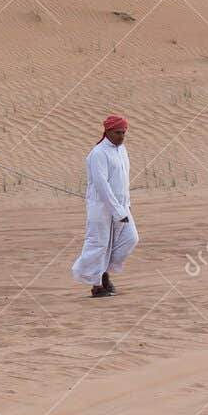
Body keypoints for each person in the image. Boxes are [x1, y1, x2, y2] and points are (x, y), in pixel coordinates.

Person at [72, 114, 138, 297]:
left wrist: (126, 205)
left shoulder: (122, 150)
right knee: (99, 244)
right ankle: (96, 285)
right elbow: (102, 185)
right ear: (107, 132)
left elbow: (123, 181)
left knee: (130, 238)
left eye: (124, 132)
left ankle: (103, 272)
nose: (121, 136)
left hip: (121, 206)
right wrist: (116, 210)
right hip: (100, 207)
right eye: (117, 133)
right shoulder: (98, 153)